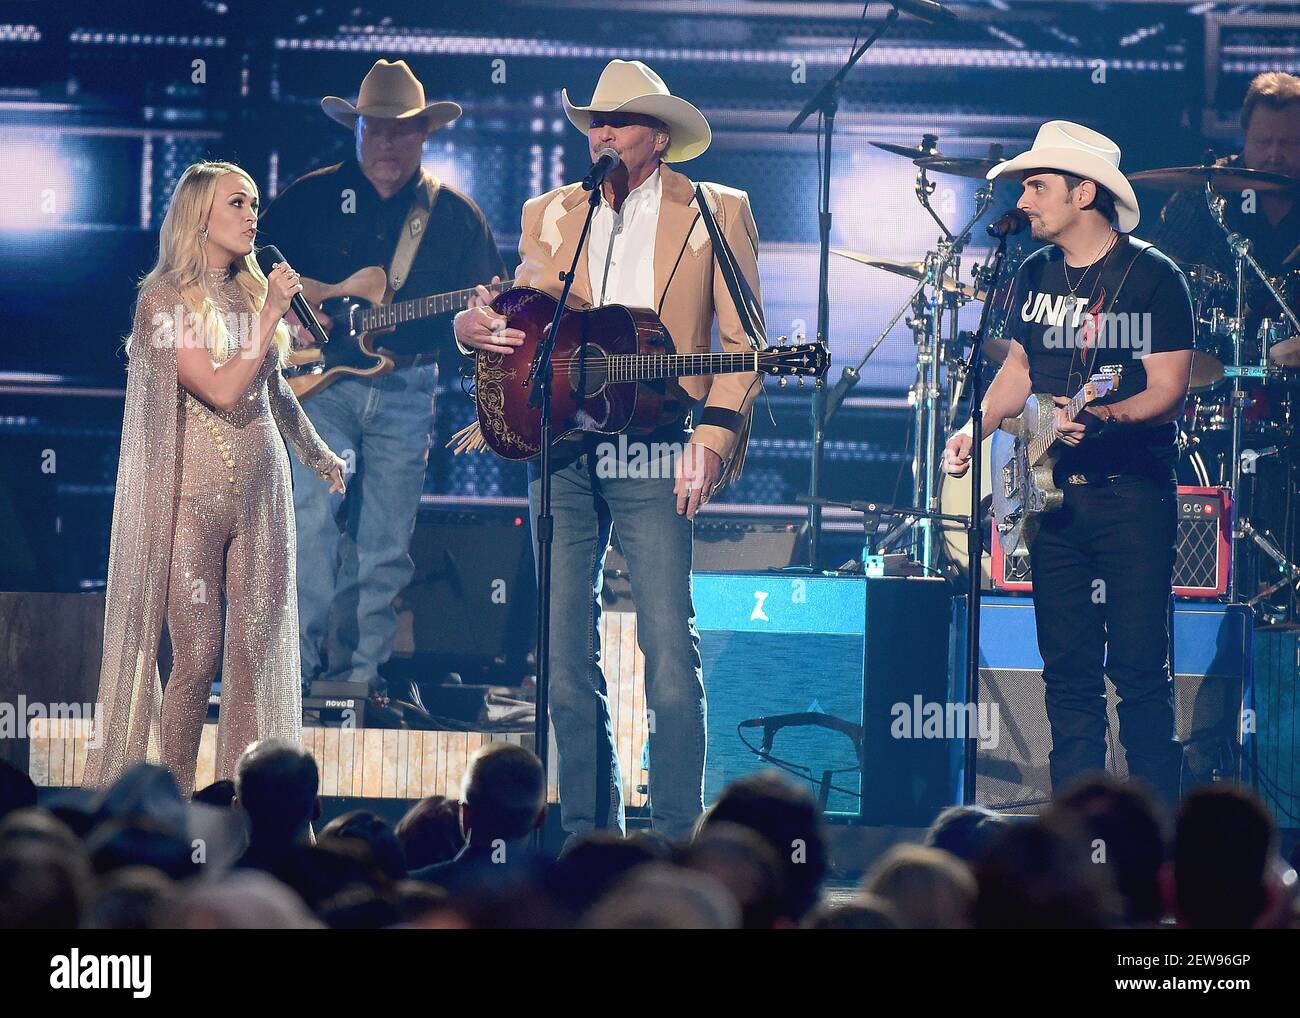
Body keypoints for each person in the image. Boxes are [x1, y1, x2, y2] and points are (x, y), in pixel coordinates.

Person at [453, 59, 764, 843]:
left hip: (659, 441)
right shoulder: (553, 211)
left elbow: (746, 343)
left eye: (619, 120)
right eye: (594, 119)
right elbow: (522, 320)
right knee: (561, 656)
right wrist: (475, 332)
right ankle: (590, 836)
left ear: (658, 136)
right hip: (561, 444)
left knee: (665, 648)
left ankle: (675, 840)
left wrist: (715, 436)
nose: (602, 131)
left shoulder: (716, 211)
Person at [943, 122, 1194, 810]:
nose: (1022, 198)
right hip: (1051, 501)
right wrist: (975, 425)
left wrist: (1107, 416)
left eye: (1036, 184)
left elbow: (1169, 386)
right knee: (1068, 675)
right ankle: (1078, 840)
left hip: (1131, 497)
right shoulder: (1031, 273)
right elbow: (1020, 369)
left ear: (1085, 192)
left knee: (1141, 672)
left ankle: (1155, 844)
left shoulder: (1153, 277)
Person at [85, 161, 345, 794]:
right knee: (197, 658)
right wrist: (271, 316)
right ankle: (167, 802)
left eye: (255, 203)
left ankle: (248, 809)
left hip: (262, 493)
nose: (253, 216)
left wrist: (318, 454)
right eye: (238, 203)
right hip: (190, 499)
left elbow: (271, 391)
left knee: (255, 657)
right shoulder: (165, 300)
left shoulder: (251, 294)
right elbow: (225, 391)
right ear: (200, 215)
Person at [257, 59, 506, 696]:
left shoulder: (456, 217)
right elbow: (249, 269)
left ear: (425, 134)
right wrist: (287, 315)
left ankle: (352, 682)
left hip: (408, 388)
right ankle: (292, 676)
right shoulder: (308, 198)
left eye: (402, 131)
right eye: (376, 129)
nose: (388, 142)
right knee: (308, 523)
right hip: (317, 387)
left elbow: (492, 306)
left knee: (385, 540)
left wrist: (479, 317)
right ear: (357, 129)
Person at [1150, 71, 1300, 368]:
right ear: (1245, 134)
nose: (1274, 155)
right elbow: (1161, 269)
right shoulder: (1205, 189)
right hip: (1214, 362)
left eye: (1288, 143)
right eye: (1262, 141)